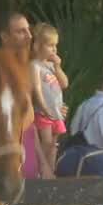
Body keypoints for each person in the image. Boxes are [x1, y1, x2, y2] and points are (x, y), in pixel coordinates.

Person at [29, 23, 68, 179]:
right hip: (43, 112)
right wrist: (45, 109)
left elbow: (64, 83)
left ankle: (50, 171)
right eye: (50, 45)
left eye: (55, 45)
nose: (54, 49)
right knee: (45, 141)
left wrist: (58, 67)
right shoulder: (34, 65)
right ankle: (41, 170)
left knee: (54, 143)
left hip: (56, 112)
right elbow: (37, 91)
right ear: (37, 46)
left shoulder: (51, 65)